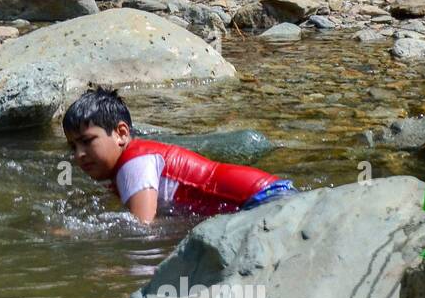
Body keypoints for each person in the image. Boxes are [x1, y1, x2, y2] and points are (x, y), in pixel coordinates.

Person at [62, 88, 295, 224]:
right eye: (73, 147)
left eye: (87, 141)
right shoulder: (132, 163)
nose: (79, 155)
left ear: (121, 133)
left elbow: (142, 231)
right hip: (267, 193)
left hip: (263, 200)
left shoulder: (134, 164)